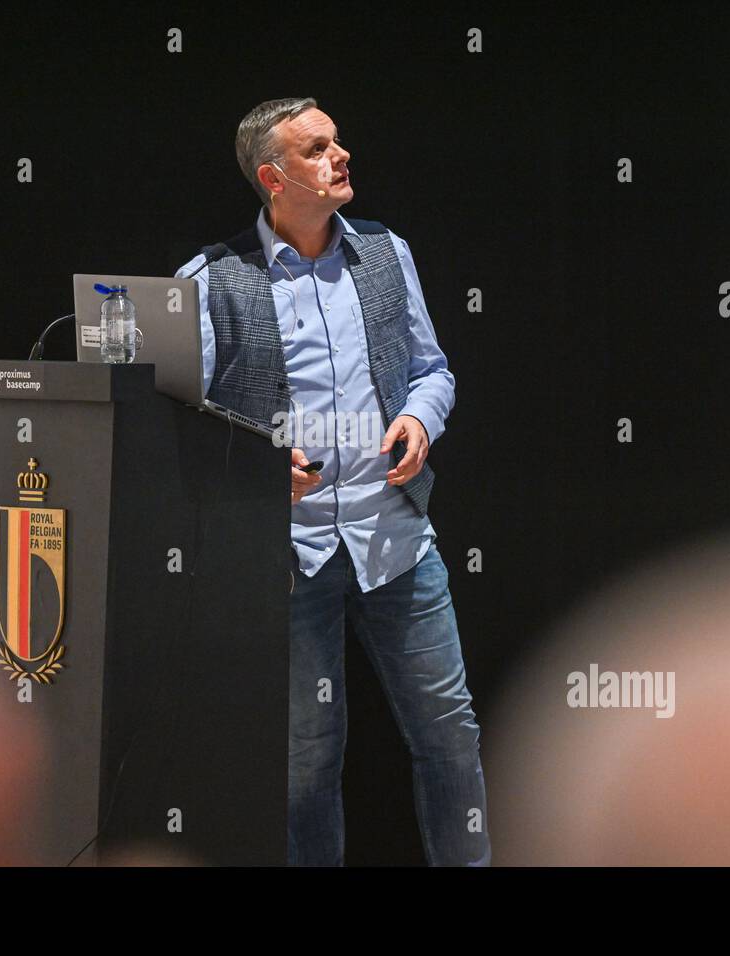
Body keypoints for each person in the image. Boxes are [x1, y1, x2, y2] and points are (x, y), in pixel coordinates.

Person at [176, 97, 490, 865]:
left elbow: (432, 372)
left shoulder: (386, 254)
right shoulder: (211, 279)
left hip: (396, 541)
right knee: (305, 761)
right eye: (318, 148)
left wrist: (420, 421)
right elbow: (182, 415)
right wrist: (249, 462)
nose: (340, 155)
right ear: (274, 177)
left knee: (450, 735)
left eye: (338, 141)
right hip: (289, 556)